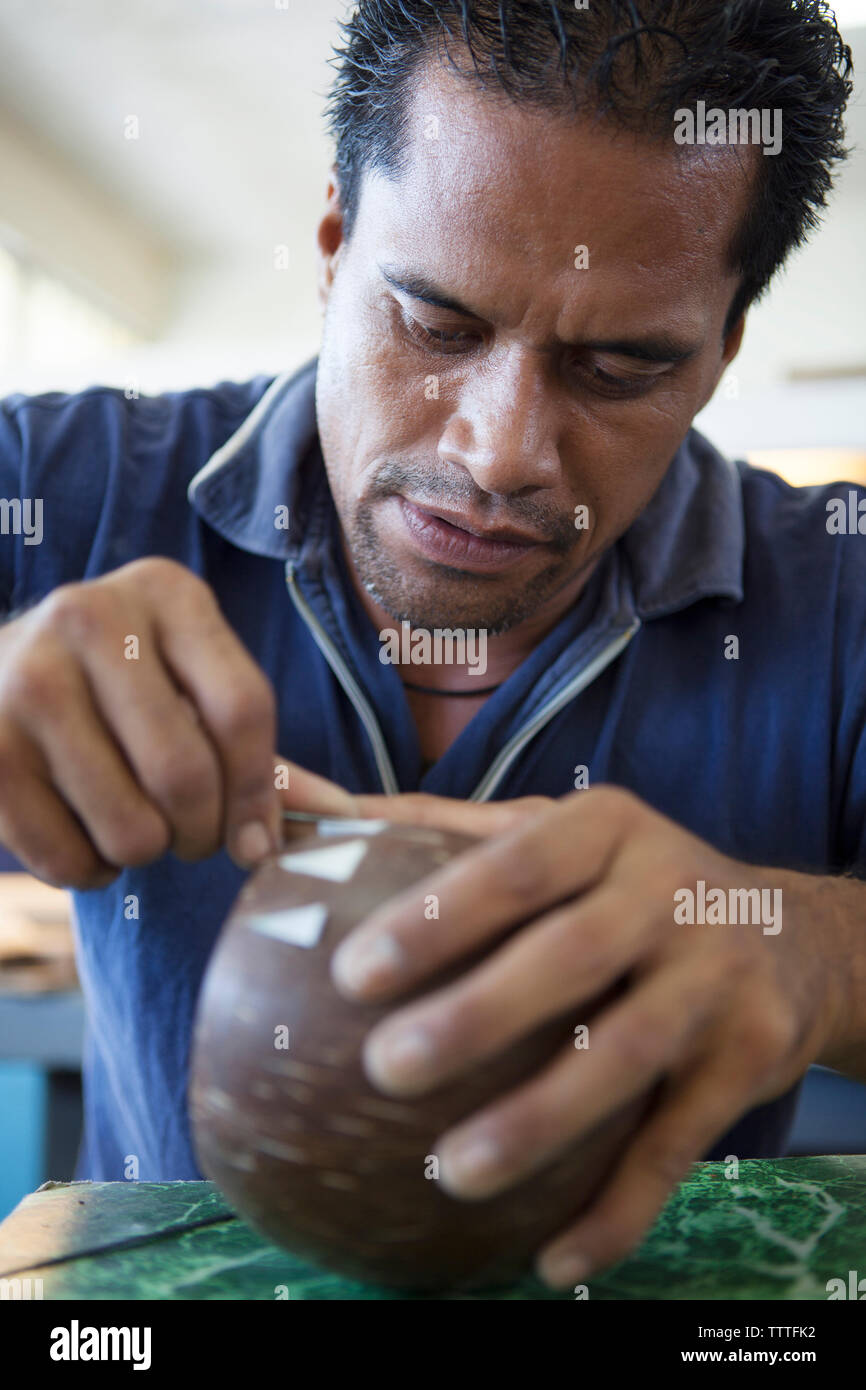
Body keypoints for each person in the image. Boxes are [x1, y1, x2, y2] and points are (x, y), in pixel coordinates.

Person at [0, 0, 862, 1290]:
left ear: (725, 347)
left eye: (620, 366)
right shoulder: (60, 482)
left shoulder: (842, 591)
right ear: (336, 241)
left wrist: (812, 945)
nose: (500, 451)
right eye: (437, 323)